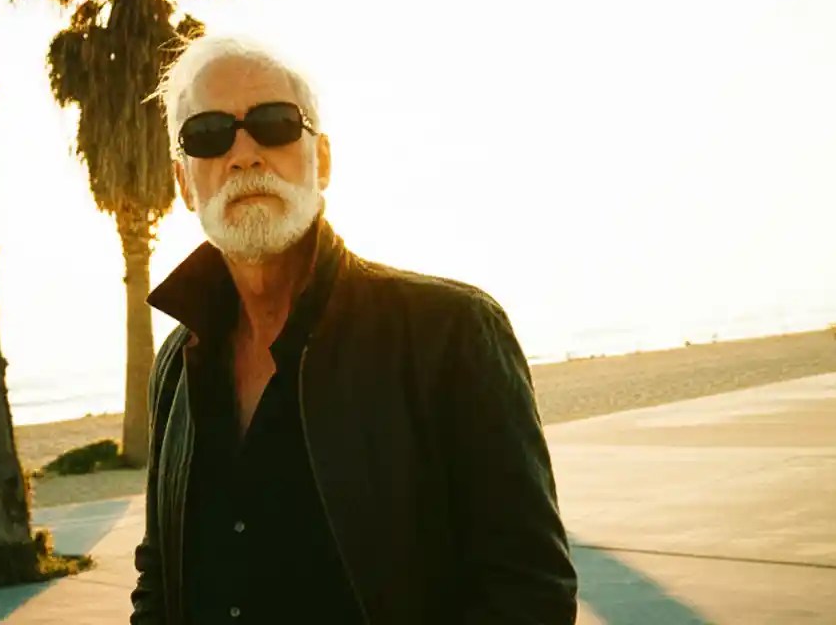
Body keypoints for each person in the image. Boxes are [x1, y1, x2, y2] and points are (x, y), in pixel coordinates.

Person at [130, 35, 578, 624]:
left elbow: (528, 592)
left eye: (275, 124)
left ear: (325, 161)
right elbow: (160, 580)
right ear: (185, 183)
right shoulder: (178, 362)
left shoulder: (450, 334)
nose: (244, 155)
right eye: (208, 134)